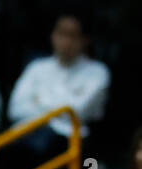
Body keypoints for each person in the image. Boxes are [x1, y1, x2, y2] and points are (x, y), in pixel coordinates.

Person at [8, 11, 109, 148]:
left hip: (73, 141)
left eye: (73, 35)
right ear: (53, 35)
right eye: (61, 33)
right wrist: (59, 109)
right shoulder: (37, 67)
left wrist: (38, 101)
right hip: (28, 134)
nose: (66, 42)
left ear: (85, 40)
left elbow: (77, 111)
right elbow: (15, 109)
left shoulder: (98, 72)